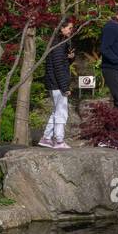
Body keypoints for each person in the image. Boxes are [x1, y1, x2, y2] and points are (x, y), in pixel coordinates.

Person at [39, 18, 76, 150]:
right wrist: (64, 87)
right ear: (62, 28)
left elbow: (62, 63)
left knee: (56, 111)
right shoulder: (59, 44)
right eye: (70, 28)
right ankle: (59, 140)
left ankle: (46, 138)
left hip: (53, 82)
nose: (71, 31)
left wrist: (70, 58)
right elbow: (58, 68)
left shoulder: (57, 43)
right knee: (61, 111)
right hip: (57, 83)